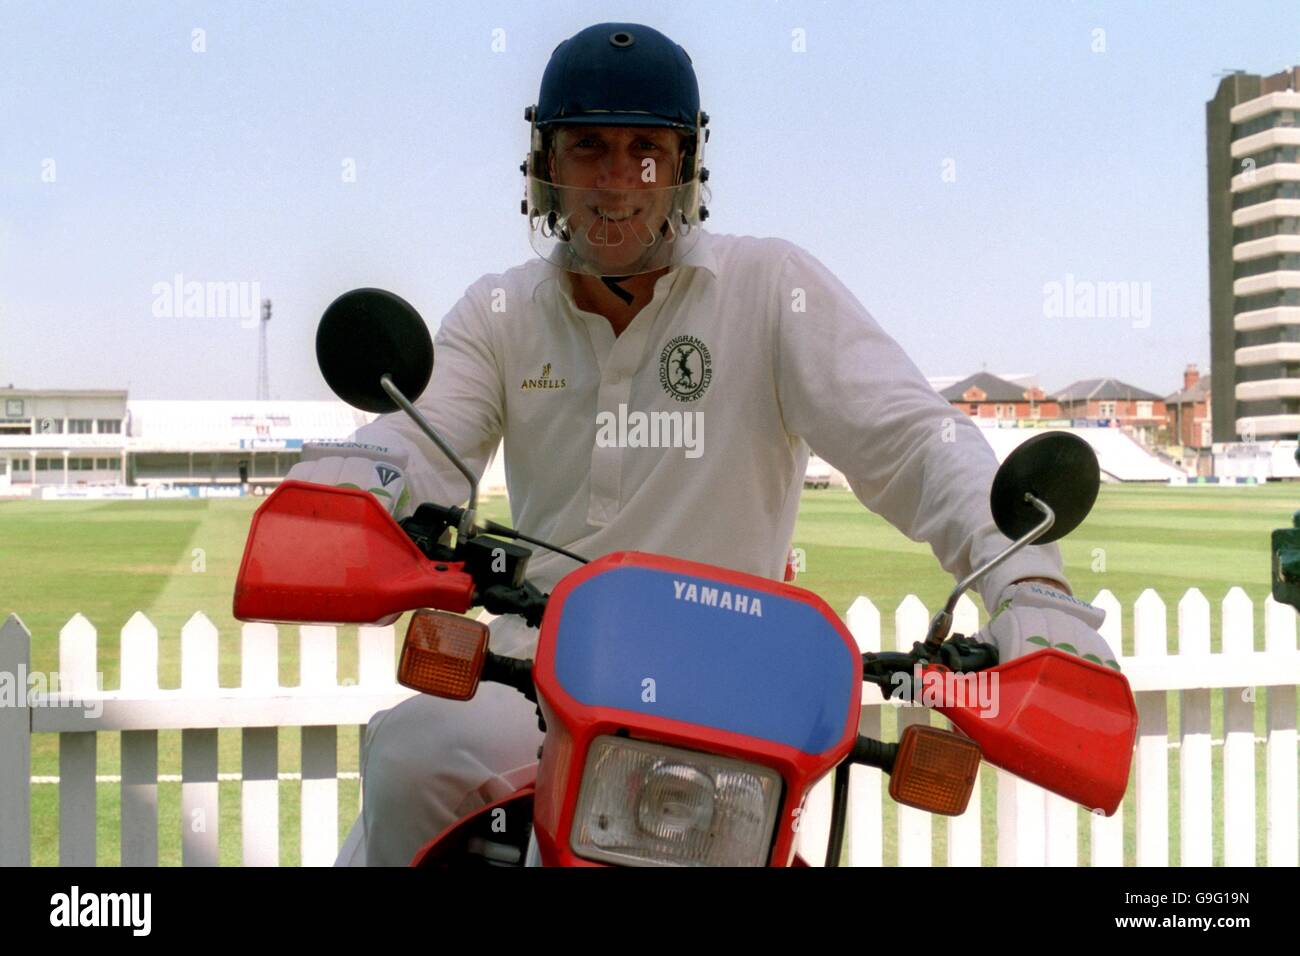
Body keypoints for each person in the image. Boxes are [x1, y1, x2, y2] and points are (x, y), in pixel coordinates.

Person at [288, 22, 1119, 866]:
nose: (617, 180)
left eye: (646, 147)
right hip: (536, 665)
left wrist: (1028, 581)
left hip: (732, 682)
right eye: (588, 147)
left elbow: (914, 439)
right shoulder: (501, 310)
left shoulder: (769, 286)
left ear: (685, 166)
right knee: (409, 762)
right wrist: (356, 484)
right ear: (544, 163)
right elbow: (422, 433)